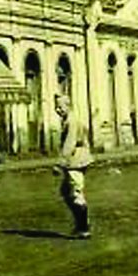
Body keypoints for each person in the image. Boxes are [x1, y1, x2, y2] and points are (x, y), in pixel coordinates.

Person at [53, 95, 93, 239]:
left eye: (60, 107)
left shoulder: (71, 121)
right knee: (65, 191)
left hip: (75, 160)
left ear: (68, 106)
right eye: (56, 107)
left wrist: (60, 163)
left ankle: (83, 228)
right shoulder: (72, 119)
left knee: (75, 192)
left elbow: (69, 144)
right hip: (78, 157)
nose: (57, 110)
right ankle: (82, 223)